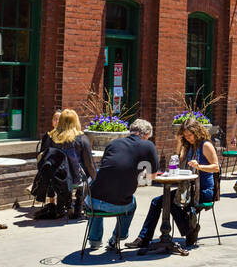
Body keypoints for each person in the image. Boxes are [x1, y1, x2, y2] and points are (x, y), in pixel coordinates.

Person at [127, 116, 219, 250]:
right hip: (188, 189)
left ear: (197, 132)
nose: (188, 138)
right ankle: (144, 238)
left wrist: (200, 166)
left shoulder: (206, 145)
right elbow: (178, 159)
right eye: (185, 135)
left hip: (204, 191)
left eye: (190, 135)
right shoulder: (189, 146)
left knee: (168, 201)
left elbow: (216, 167)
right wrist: (180, 142)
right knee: (158, 201)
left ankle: (185, 231)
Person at [85, 118, 159, 252]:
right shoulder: (148, 146)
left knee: (98, 200)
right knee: (132, 203)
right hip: (119, 204)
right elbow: (151, 177)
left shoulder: (114, 143)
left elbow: (107, 169)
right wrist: (139, 175)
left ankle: (94, 242)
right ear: (146, 134)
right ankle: (117, 238)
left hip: (92, 201)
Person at [32, 108, 96, 220]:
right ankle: (78, 207)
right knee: (90, 174)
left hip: (57, 178)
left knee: (65, 173)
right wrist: (96, 178)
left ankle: (64, 206)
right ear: (76, 121)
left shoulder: (51, 138)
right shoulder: (82, 139)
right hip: (76, 178)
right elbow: (89, 164)